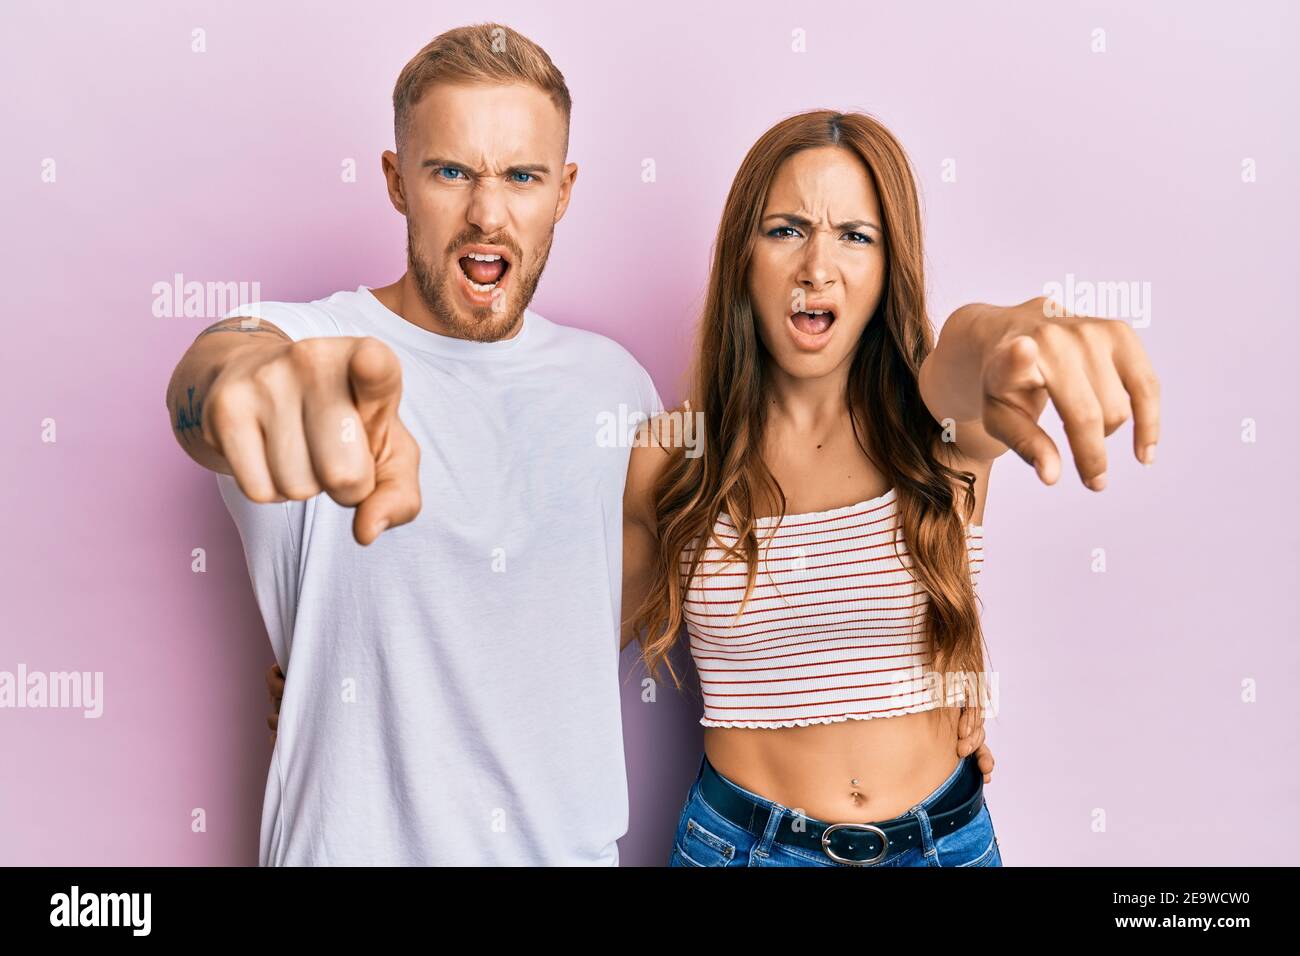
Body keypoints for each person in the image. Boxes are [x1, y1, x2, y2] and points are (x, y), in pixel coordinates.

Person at [179, 23, 992, 865]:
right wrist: (248, 387)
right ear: (395, 180)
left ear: (564, 190)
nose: (487, 211)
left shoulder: (617, 394)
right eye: (450, 171)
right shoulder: (310, 342)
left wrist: (952, 691)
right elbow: (210, 382)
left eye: (522, 176)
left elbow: (570, 632)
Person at [618, 110, 1160, 866]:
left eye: (856, 235)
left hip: (945, 843)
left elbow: (972, 347)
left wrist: (1015, 338)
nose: (818, 265)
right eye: (785, 230)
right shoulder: (671, 460)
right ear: (742, 254)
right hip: (740, 848)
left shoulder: (934, 424)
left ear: (887, 268)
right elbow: (551, 654)